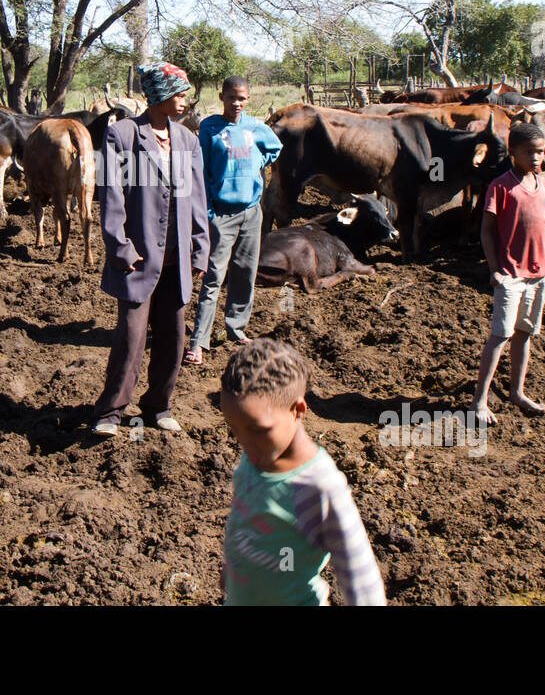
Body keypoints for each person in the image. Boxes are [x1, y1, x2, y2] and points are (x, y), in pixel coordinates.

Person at [219, 339, 386, 606]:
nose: (245, 443)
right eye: (234, 429)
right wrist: (234, 566)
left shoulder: (318, 486)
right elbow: (244, 517)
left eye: (259, 430)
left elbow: (361, 577)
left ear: (298, 409)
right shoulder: (254, 459)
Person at [91, 62, 209, 437]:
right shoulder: (122, 136)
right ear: (158, 95)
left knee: (173, 338)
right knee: (131, 337)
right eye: (178, 94)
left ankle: (159, 405)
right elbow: (110, 198)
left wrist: (199, 249)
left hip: (178, 259)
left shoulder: (188, 141)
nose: (184, 101)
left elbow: (197, 199)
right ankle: (110, 412)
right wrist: (121, 247)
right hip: (138, 258)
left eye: (185, 94)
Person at [184, 76, 283, 366]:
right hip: (221, 215)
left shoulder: (255, 127)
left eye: (241, 98)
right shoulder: (210, 129)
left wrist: (256, 166)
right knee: (212, 276)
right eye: (231, 97)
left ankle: (236, 327)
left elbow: (274, 149)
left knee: (245, 273)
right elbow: (200, 170)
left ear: (248, 99)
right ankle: (198, 340)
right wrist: (209, 213)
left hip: (252, 212)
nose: (236, 103)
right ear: (221, 97)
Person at [470, 122, 545, 426]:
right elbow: (488, 231)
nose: (536, 158)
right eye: (529, 152)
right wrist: (495, 270)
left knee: (525, 334)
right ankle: (479, 400)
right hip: (510, 274)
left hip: (538, 274)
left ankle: (517, 392)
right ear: (513, 153)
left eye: (540, 152)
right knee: (500, 335)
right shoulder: (501, 187)